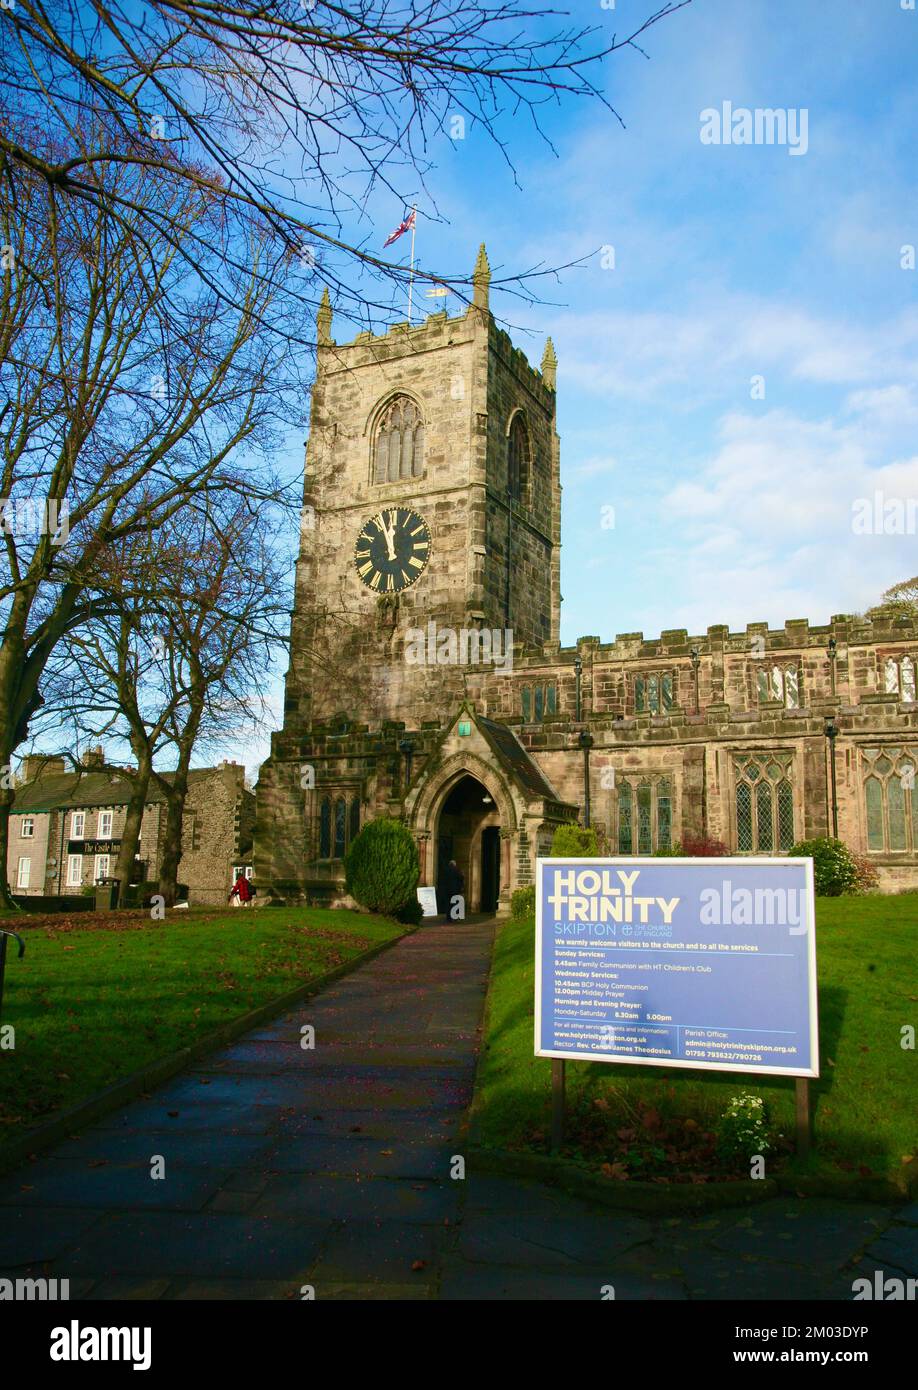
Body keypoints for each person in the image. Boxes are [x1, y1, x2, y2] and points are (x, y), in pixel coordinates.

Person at [441, 859, 465, 924]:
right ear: (455, 864)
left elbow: (442, 880)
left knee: (448, 904)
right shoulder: (457, 870)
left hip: (447, 891)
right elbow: (461, 879)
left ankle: (448, 918)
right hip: (455, 890)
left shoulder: (445, 870)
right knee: (455, 904)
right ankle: (455, 917)